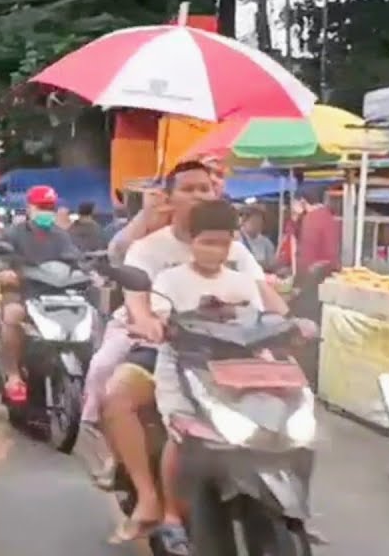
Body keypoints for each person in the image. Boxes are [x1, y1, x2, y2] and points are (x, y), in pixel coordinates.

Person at [101, 162, 284, 548]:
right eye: (189, 189)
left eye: (206, 188)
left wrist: (290, 320)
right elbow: (138, 300)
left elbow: (262, 291)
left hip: (235, 356)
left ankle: (285, 498)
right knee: (117, 394)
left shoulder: (236, 250)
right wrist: (148, 322)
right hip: (172, 352)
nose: (200, 195)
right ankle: (150, 500)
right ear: (168, 197)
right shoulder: (149, 249)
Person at [145, 200, 318, 553]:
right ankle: (171, 516)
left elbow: (264, 319)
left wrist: (296, 326)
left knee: (297, 429)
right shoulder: (170, 280)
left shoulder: (242, 281)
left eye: (223, 242)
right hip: (185, 365)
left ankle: (296, 506)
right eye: (207, 241)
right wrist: (160, 325)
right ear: (191, 240)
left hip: (244, 366)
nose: (215, 250)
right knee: (180, 433)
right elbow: (159, 317)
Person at [0, 186, 81, 403]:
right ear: (30, 208)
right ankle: (13, 375)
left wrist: (89, 271)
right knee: (13, 314)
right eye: (41, 207)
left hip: (54, 293)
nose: (46, 212)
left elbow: (76, 259)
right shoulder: (13, 233)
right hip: (22, 292)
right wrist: (3, 270)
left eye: (50, 207)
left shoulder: (61, 236)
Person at [292, 184, 341, 277]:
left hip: (314, 275)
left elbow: (307, 254)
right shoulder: (329, 216)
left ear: (302, 201)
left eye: (295, 202)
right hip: (330, 271)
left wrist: (300, 277)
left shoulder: (311, 219)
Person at [239, 205, 277, 271]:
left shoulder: (266, 243)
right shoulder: (236, 240)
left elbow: (272, 265)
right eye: (253, 222)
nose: (257, 225)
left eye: (259, 222)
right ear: (244, 222)